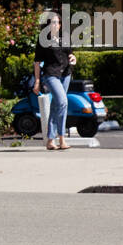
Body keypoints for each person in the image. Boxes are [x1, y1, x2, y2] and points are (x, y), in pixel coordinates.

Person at [34, 10, 77, 150]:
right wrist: (37, 81)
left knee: (56, 105)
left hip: (66, 74)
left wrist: (73, 58)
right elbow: (37, 62)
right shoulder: (43, 40)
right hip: (51, 74)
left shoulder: (65, 37)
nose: (56, 25)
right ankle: (62, 137)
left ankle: (51, 140)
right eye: (53, 22)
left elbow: (70, 53)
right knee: (63, 101)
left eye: (58, 22)